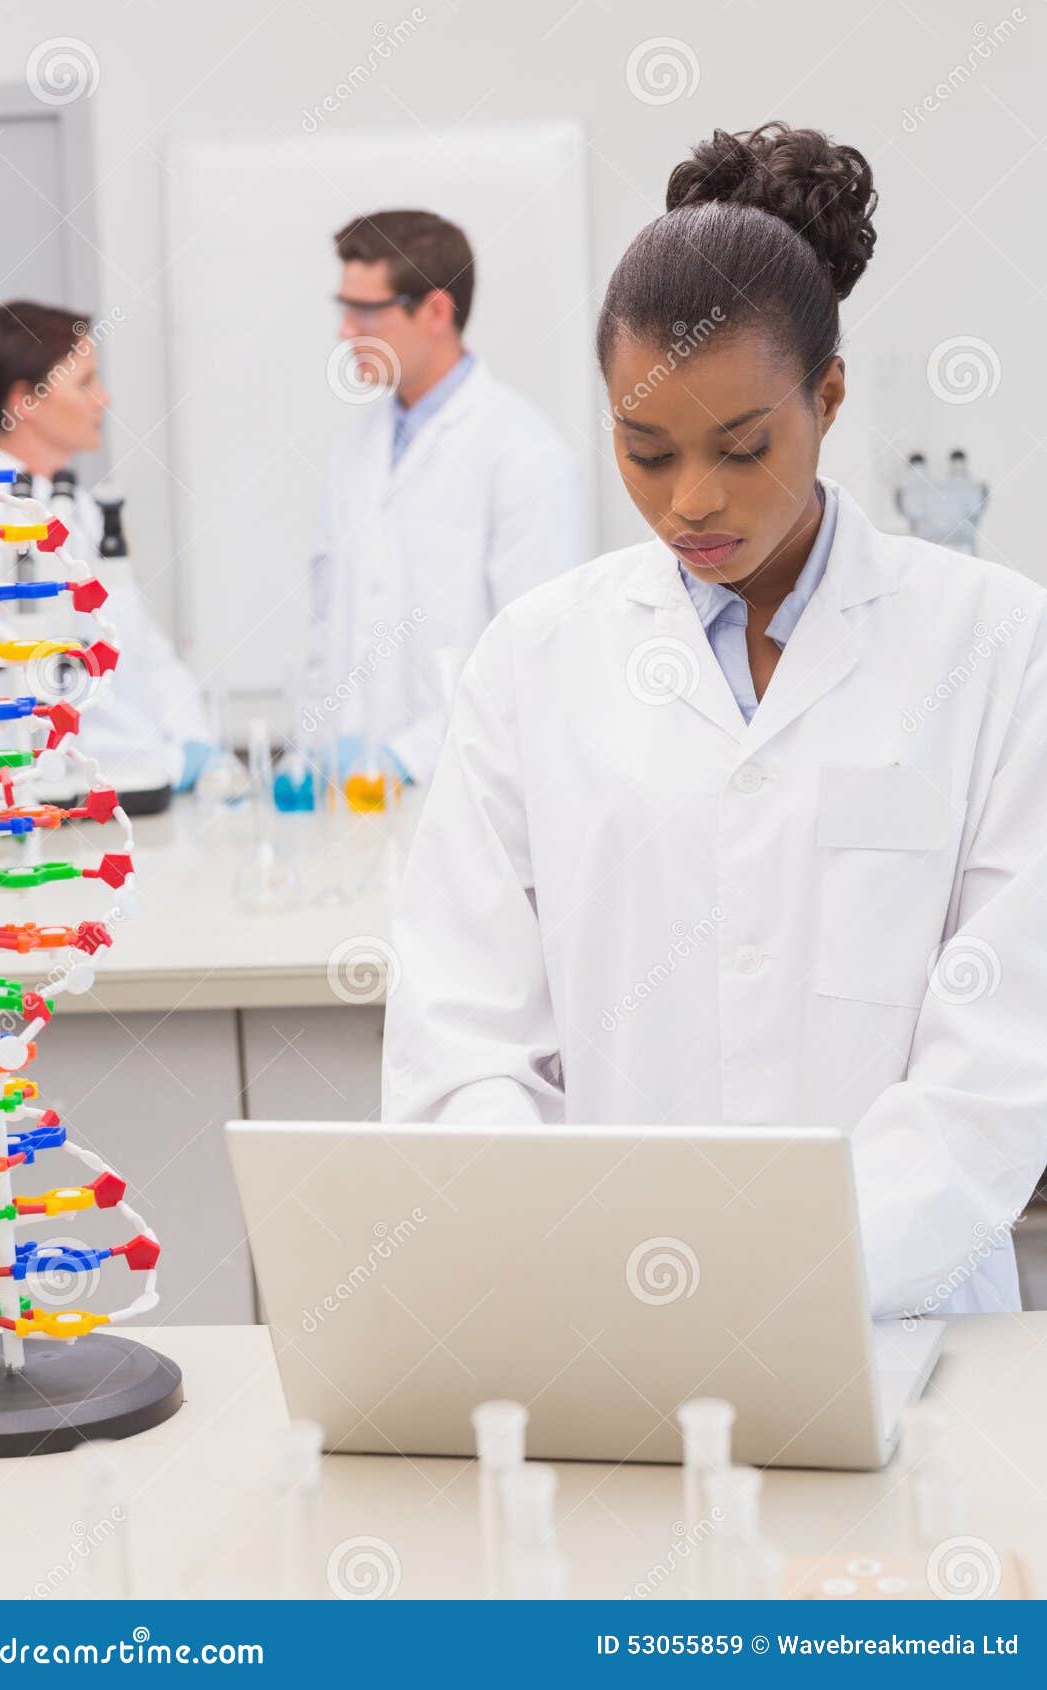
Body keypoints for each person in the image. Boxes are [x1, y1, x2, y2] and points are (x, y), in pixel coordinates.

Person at [381, 124, 1047, 1322]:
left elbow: (997, 1067)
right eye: (645, 453)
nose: (691, 499)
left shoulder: (997, 647)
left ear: (827, 395)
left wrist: (774, 1281)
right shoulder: (534, 659)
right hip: (604, 1325)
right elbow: (461, 1044)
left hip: (902, 1323)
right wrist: (584, 1266)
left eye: (743, 448)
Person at [302, 209, 583, 786]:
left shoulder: (523, 452)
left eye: (365, 313)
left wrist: (406, 760)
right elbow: (325, 624)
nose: (344, 333)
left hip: (462, 787)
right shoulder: (355, 451)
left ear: (434, 311)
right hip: (348, 796)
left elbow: (532, 659)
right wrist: (316, 741)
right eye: (344, 309)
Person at [0, 301, 207, 789]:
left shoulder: (78, 507)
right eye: (85, 383)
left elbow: (138, 642)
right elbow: (27, 689)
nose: (103, 399)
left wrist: (191, 741)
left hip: (135, 779)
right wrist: (152, 761)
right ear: (26, 401)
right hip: (57, 802)